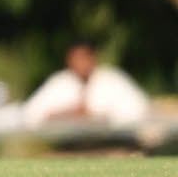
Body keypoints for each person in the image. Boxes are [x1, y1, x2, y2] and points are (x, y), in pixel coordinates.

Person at [21, 40, 150, 128]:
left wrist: (96, 116)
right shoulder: (60, 82)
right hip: (69, 149)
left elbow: (138, 110)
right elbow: (31, 114)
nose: (80, 64)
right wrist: (68, 115)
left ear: (93, 58)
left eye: (83, 58)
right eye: (75, 59)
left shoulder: (111, 80)